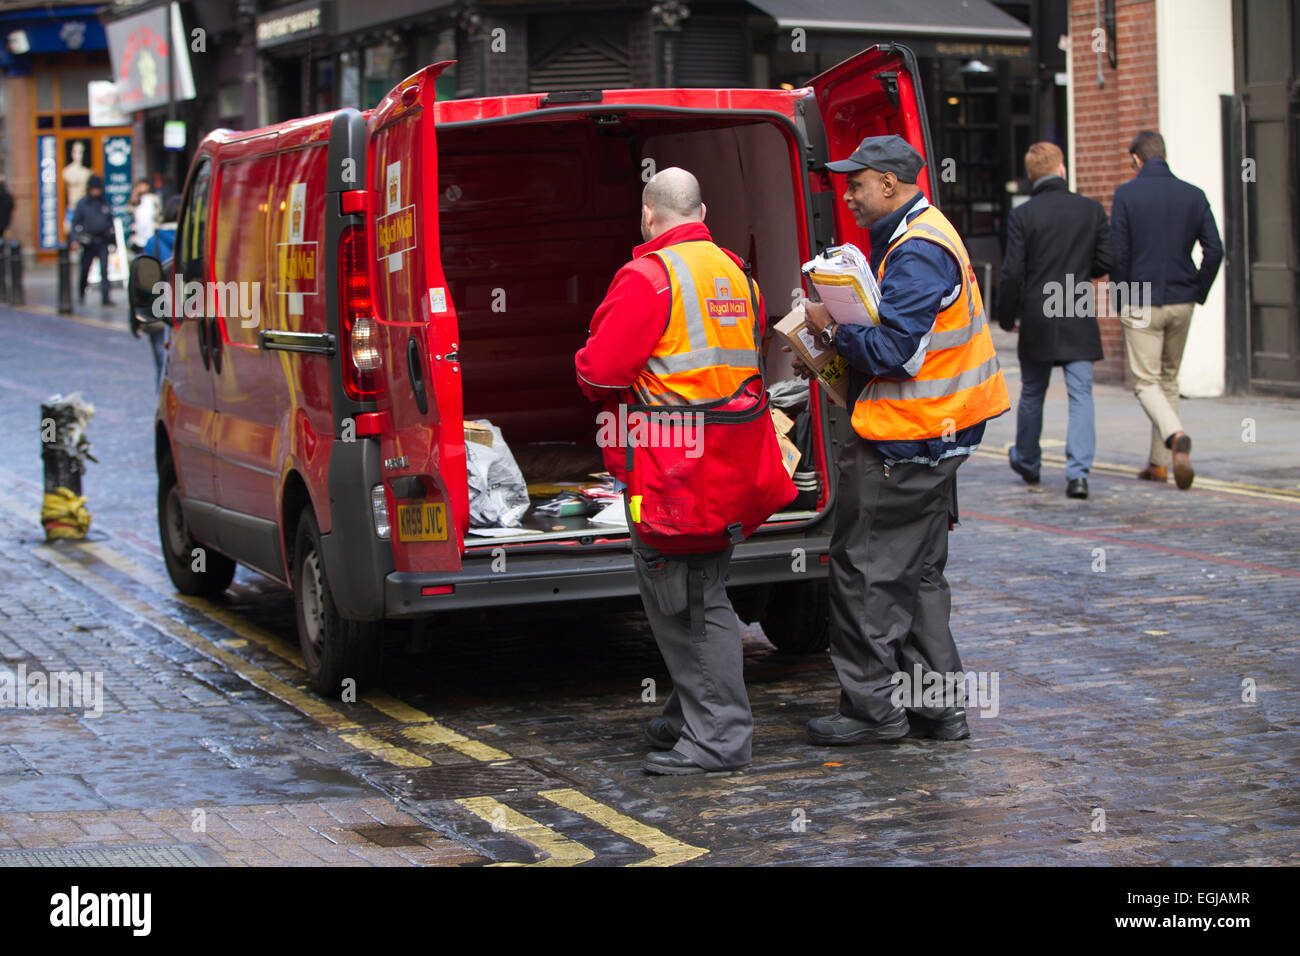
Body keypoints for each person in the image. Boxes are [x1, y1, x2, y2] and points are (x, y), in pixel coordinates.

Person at [796, 135, 1009, 744]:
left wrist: (830, 329)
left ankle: (870, 712)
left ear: (889, 183)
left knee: (867, 574)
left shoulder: (916, 250)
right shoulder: (924, 235)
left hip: (907, 441)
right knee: (916, 577)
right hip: (935, 436)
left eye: (857, 184)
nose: (850, 196)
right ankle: (938, 709)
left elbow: (897, 351)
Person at [575, 167, 770, 775]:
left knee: (688, 602)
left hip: (669, 472)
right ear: (703, 211)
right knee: (701, 587)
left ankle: (719, 739)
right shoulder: (739, 276)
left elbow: (599, 374)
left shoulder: (649, 277)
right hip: (728, 466)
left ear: (647, 216)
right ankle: (693, 716)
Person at [998, 141, 1114, 499]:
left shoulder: (1023, 215)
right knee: (1081, 394)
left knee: (1033, 391)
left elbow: (1012, 272)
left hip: (1037, 313)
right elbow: (1106, 259)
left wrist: (1006, 315)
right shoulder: (1091, 210)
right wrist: (1080, 271)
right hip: (1075, 306)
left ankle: (1029, 462)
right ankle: (1078, 475)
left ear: (1031, 176)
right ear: (1062, 169)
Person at [1111, 131, 1223, 490]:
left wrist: (1121, 299)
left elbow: (1121, 255)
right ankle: (1160, 464)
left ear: (1136, 160)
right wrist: (1198, 291)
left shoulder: (1126, 195)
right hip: (1181, 300)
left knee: (1146, 382)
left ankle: (1175, 435)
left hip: (1140, 301)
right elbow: (1215, 251)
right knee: (1169, 380)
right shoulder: (1194, 195)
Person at [132, 194, 180, 385]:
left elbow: (142, 280)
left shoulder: (154, 241)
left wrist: (136, 318)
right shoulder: (199, 236)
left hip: (161, 313)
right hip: (193, 312)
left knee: (163, 369)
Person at [70, 174, 116, 307]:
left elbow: (111, 220)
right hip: (88, 241)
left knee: (105, 270)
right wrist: (75, 239)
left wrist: (112, 238)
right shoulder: (83, 203)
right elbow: (75, 222)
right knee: (85, 269)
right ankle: (81, 294)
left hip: (103, 240)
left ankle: (106, 297)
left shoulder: (105, 202)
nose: (96, 191)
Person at [130, 179, 161, 253]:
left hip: (151, 232)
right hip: (139, 235)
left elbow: (158, 212)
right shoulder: (137, 199)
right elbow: (131, 209)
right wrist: (135, 193)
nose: (142, 187)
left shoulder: (153, 198)